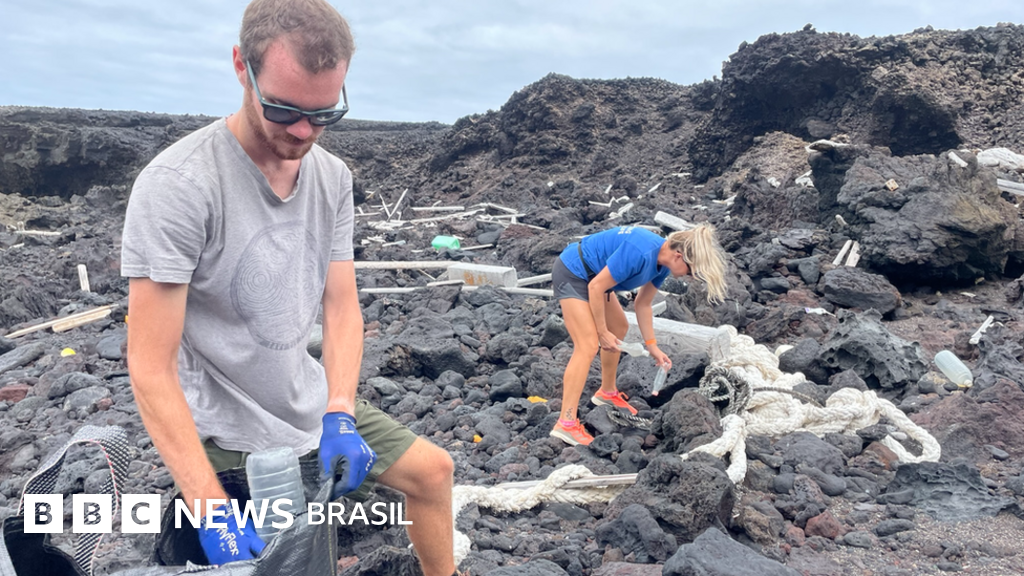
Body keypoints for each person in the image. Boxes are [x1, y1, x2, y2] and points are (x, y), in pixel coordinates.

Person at [120, 1, 455, 574]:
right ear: (240, 67)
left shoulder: (332, 178)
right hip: (223, 428)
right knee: (287, 558)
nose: (304, 132)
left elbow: (343, 309)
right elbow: (150, 366)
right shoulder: (179, 186)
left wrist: (342, 411)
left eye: (324, 114)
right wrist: (208, 506)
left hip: (305, 402)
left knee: (433, 472)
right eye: (284, 109)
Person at [548, 224, 728, 446]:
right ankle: (565, 423)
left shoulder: (662, 264)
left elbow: (642, 304)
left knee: (620, 327)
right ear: (679, 256)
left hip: (595, 279)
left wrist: (652, 346)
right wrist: (602, 332)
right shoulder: (640, 252)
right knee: (587, 345)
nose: (690, 277)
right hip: (573, 272)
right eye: (691, 271)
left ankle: (606, 391)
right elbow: (595, 288)